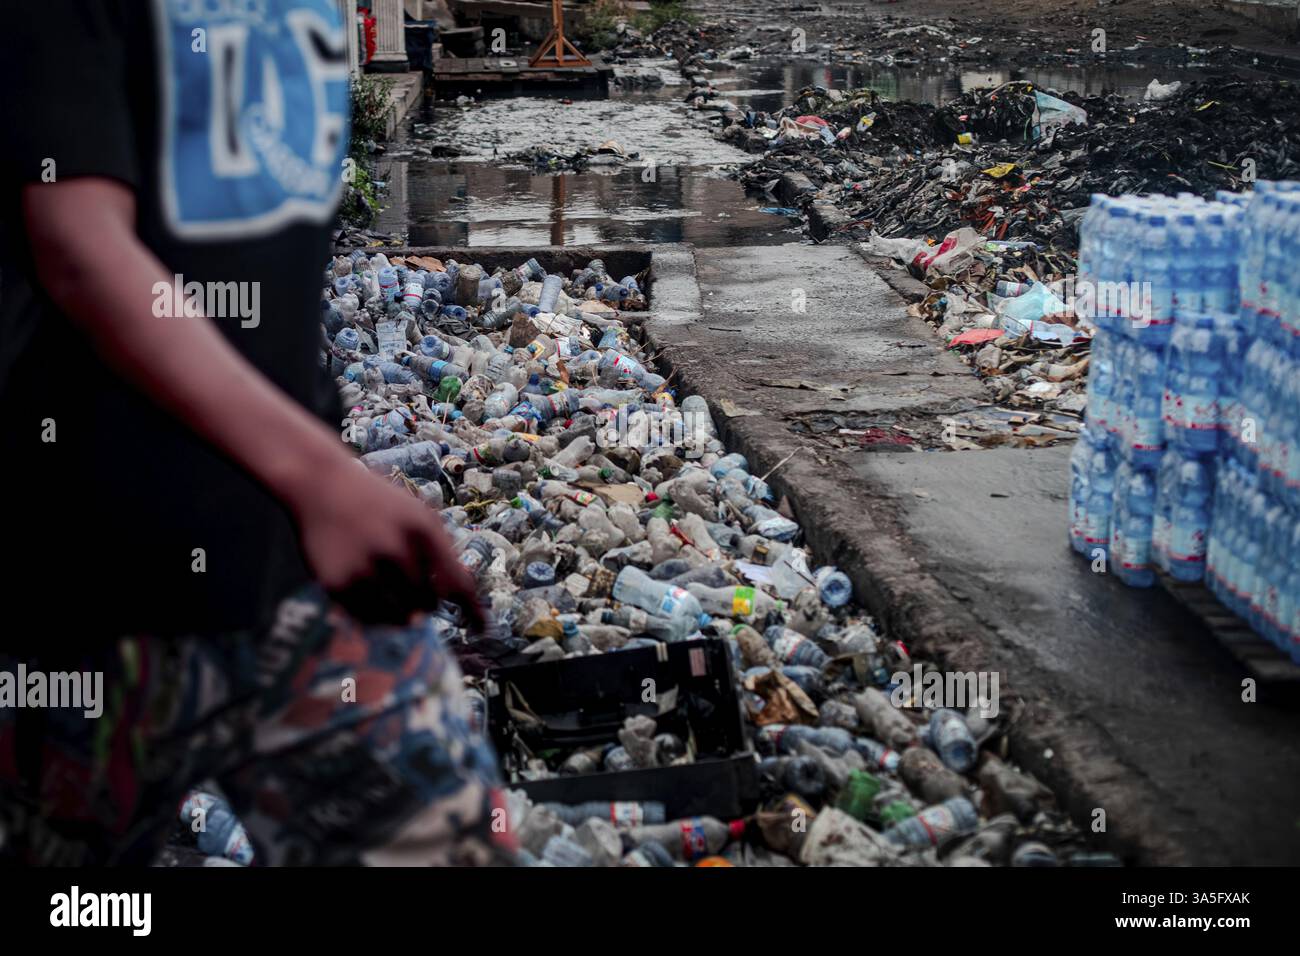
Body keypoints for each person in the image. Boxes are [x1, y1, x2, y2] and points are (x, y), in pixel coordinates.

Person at [0, 0, 515, 865]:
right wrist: (319, 475)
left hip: (294, 571)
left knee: (447, 842)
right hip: (90, 591)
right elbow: (79, 245)